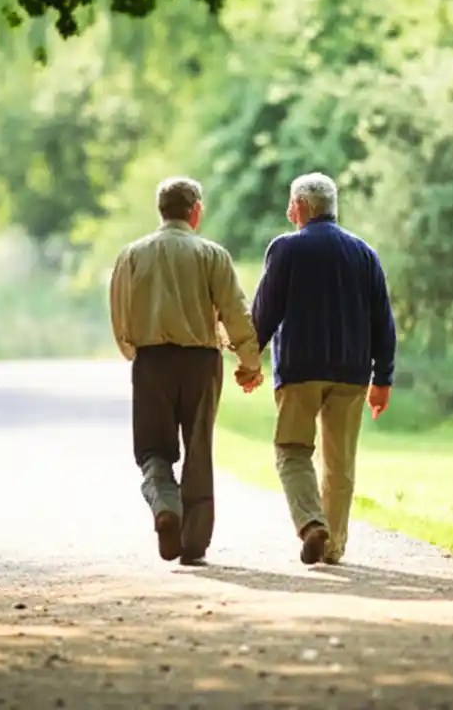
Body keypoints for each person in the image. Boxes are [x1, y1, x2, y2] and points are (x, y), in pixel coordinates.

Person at [109, 176, 264, 566]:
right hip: (200, 363)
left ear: (161, 210)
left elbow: (120, 311)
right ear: (195, 211)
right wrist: (249, 362)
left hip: (151, 362)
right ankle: (194, 543)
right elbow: (235, 311)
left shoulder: (132, 254)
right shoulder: (212, 255)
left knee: (152, 449)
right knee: (199, 450)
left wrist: (134, 351)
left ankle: (165, 505)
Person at [250, 172, 396, 565]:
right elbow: (384, 321)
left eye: (289, 204)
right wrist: (383, 379)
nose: (286, 211)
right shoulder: (364, 253)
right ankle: (332, 547)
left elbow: (265, 313)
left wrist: (250, 361)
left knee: (292, 450)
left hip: (300, 371)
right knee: (340, 463)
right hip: (352, 374)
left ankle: (312, 524)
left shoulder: (285, 249)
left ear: (301, 206)